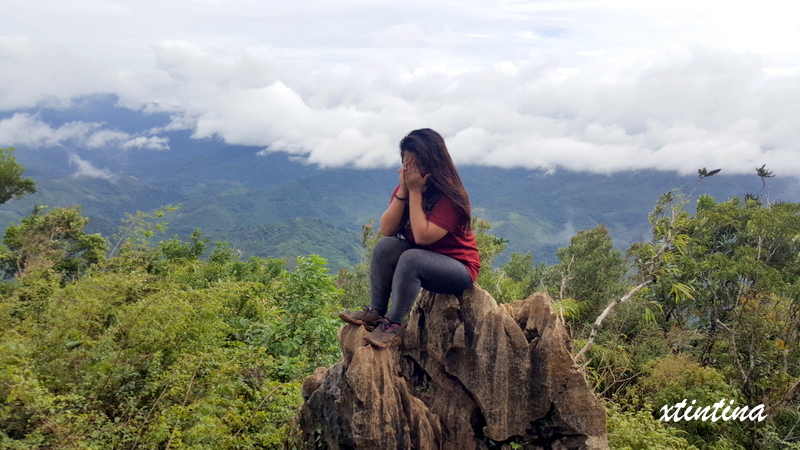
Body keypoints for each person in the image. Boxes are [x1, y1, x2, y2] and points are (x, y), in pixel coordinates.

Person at [339, 128, 481, 349]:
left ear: (434, 162)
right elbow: (386, 229)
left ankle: (393, 325)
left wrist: (415, 192)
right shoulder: (408, 188)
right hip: (425, 257)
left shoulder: (449, 195)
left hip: (459, 268)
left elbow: (424, 237)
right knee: (385, 247)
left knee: (411, 258)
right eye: (407, 163)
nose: (411, 169)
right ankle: (376, 312)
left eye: (417, 163)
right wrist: (405, 190)